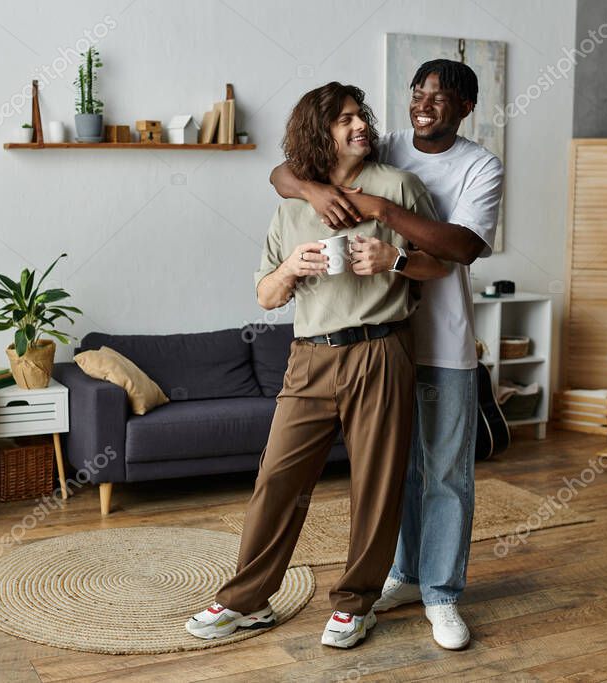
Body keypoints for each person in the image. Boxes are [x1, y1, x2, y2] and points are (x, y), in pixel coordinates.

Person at [185, 82, 448, 649]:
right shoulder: (291, 206)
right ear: (318, 132)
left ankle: (355, 604)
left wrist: (395, 259)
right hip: (309, 356)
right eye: (343, 119)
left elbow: (441, 263)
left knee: (376, 484)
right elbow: (265, 296)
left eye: (360, 116)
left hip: (381, 349)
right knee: (277, 479)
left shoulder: (398, 187)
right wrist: (290, 270)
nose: (359, 126)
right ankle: (247, 601)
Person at [268, 59, 505, 651]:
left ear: (466, 107)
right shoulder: (388, 145)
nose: (424, 104)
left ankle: (442, 594)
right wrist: (315, 190)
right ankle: (404, 574)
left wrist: (380, 210)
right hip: (382, 342)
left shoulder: (480, 166)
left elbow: (462, 247)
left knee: (445, 472)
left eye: (439, 97)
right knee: (394, 474)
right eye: (417, 92)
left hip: (442, 342)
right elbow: (283, 172)